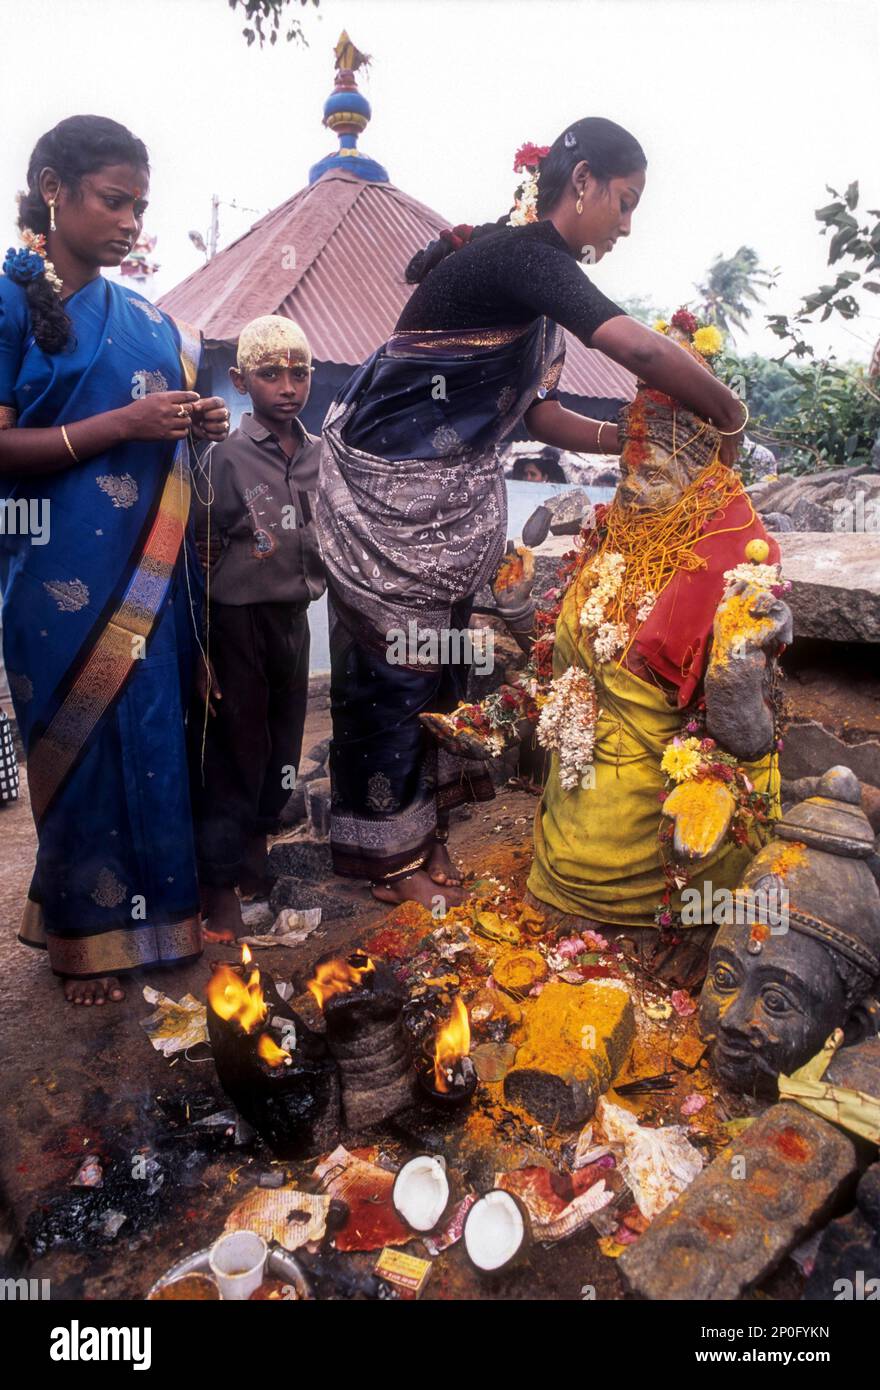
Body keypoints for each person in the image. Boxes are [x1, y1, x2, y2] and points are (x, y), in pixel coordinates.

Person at [316, 117, 747, 911]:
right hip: (393, 501)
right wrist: (728, 412)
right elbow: (640, 350)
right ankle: (385, 859)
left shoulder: (531, 285)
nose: (627, 223)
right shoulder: (524, 256)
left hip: (444, 513)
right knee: (391, 674)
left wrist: (629, 439)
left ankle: (423, 834)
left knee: (438, 668)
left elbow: (541, 417)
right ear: (580, 181)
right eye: (624, 201)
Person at [0, 115, 229, 1006]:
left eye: (140, 205)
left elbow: (166, 428)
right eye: (113, 200)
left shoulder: (148, 317)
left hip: (150, 574)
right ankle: (85, 940)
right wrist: (118, 428)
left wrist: (196, 424)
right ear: (53, 188)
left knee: (152, 742)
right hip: (55, 576)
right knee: (83, 744)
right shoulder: (12, 301)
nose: (131, 221)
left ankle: (161, 923)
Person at [190, 316, 325, 942]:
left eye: (299, 373)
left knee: (282, 744)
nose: (288, 386)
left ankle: (256, 860)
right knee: (232, 750)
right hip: (235, 620)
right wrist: (200, 648)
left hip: (291, 619)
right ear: (242, 381)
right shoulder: (223, 459)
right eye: (270, 374)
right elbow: (197, 553)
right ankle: (216, 887)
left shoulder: (322, 455)